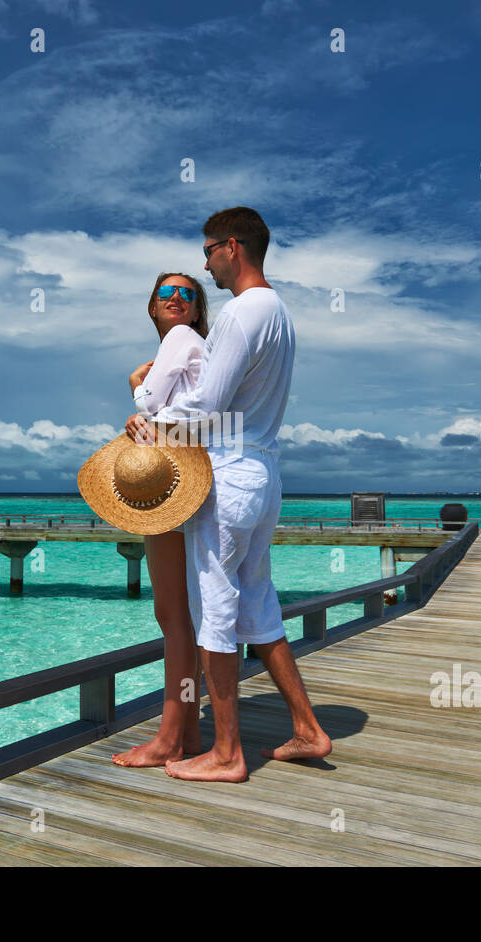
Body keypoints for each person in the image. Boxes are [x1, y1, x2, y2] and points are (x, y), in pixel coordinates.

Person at [126, 206, 332, 783]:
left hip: (232, 476)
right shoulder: (280, 313)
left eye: (209, 250)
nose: (207, 262)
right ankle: (308, 729)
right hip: (264, 470)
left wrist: (152, 423)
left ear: (233, 248)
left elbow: (207, 407)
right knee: (258, 604)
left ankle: (226, 753)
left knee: (213, 609)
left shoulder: (244, 312)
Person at [111, 272, 212, 767]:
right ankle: (188, 730)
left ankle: (170, 738)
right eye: (166, 293)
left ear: (195, 310)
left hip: (175, 487)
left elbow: (152, 404)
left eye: (186, 294)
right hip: (189, 476)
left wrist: (135, 390)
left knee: (173, 618)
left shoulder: (179, 338)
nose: (176, 299)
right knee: (186, 619)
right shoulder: (194, 346)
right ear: (151, 307)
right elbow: (169, 414)